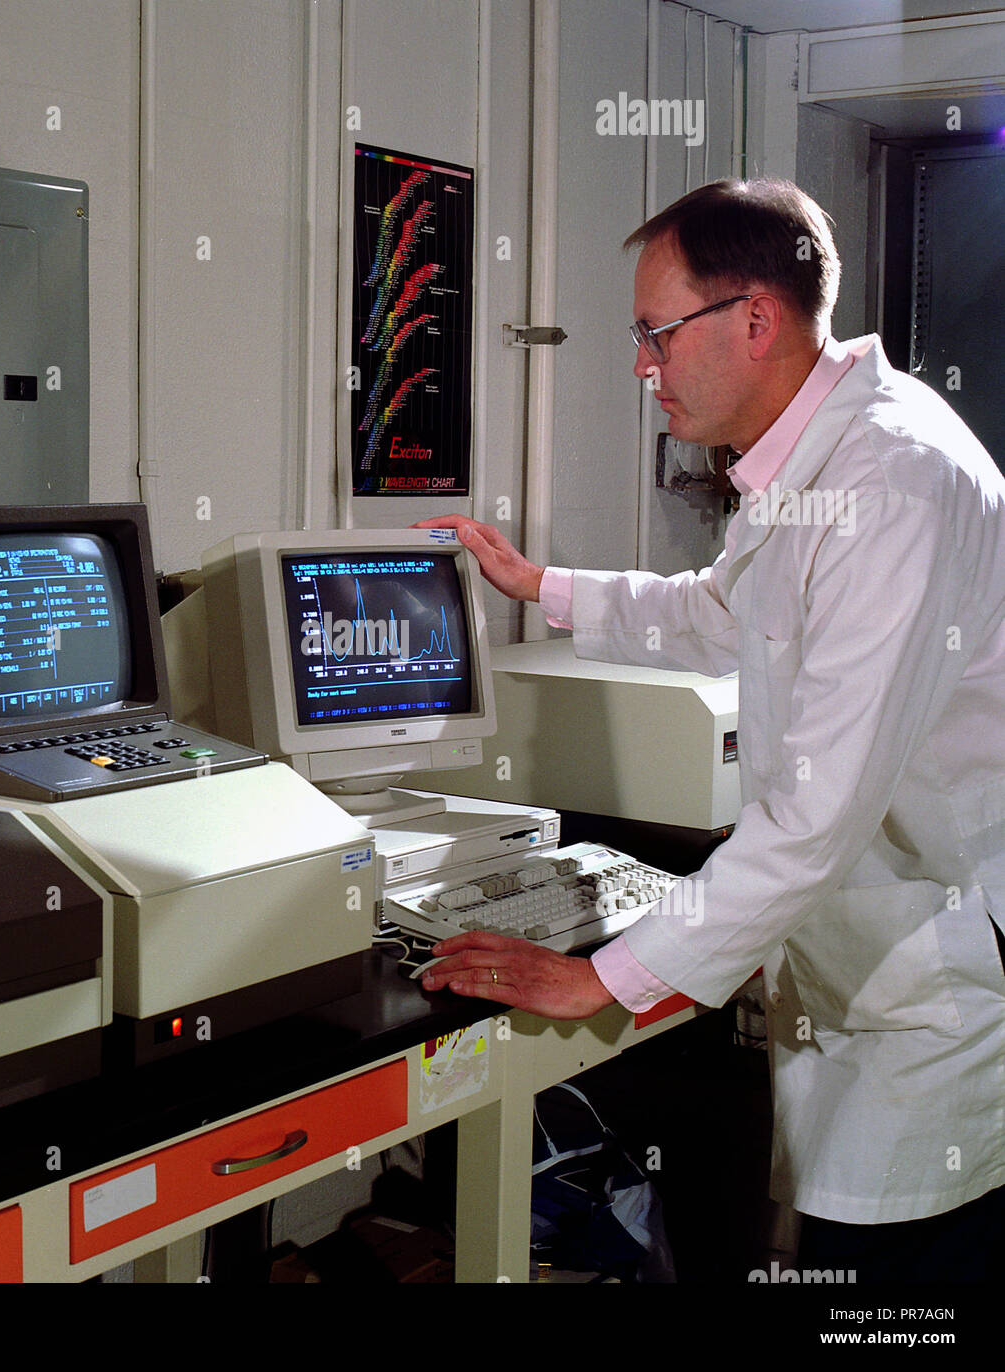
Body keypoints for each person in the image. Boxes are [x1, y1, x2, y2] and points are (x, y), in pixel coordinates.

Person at [415, 178, 1005, 1281]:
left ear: (755, 319)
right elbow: (722, 613)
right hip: (873, 963)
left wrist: (604, 978)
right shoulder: (816, 458)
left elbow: (817, 811)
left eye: (656, 333)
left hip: (935, 986)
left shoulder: (893, 484)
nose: (643, 366)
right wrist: (543, 586)